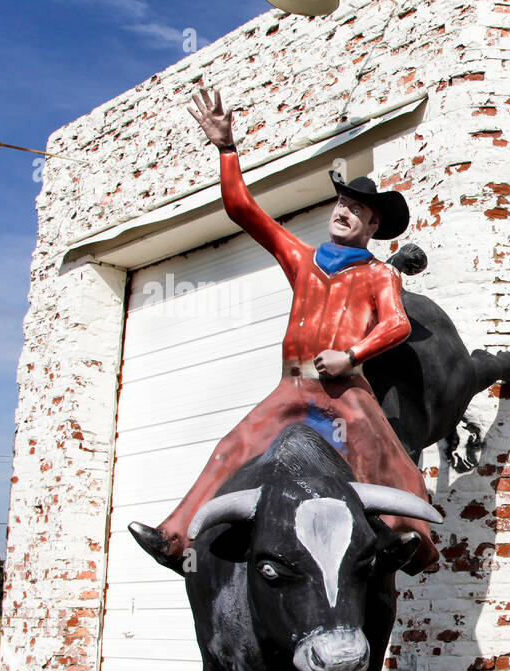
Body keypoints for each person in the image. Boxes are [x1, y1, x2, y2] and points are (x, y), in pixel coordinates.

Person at [129, 86, 439, 575]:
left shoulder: (380, 274)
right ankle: (176, 538)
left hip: (344, 389)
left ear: (372, 223)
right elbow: (243, 210)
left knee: (381, 455)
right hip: (291, 387)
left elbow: (397, 324)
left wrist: (352, 356)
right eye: (342, 201)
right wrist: (227, 150)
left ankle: (410, 544)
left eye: (357, 208)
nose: (343, 210)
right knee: (234, 446)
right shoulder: (302, 258)